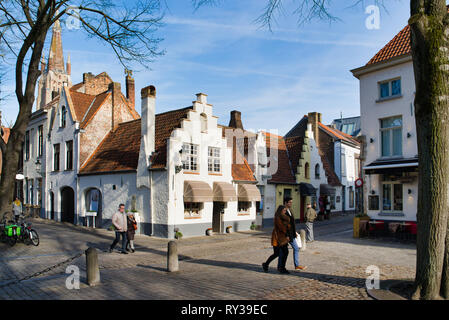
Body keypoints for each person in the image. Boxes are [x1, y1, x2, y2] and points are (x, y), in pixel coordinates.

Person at [262, 205, 291, 274]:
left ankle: (281, 267)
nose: (285, 211)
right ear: (280, 210)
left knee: (285, 252)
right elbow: (281, 227)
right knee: (277, 253)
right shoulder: (278, 217)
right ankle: (267, 264)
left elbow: (288, 226)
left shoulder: (285, 217)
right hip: (278, 237)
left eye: (285, 210)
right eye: (283, 210)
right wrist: (287, 233)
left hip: (283, 237)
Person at [284, 197, 307, 271]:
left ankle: (295, 265)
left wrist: (295, 232)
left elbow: (291, 224)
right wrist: (287, 235)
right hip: (288, 235)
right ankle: (295, 265)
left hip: (291, 234)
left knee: (283, 251)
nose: (291, 204)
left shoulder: (290, 210)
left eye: (291, 202)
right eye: (289, 202)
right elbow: (285, 225)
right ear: (285, 203)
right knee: (283, 251)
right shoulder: (284, 211)